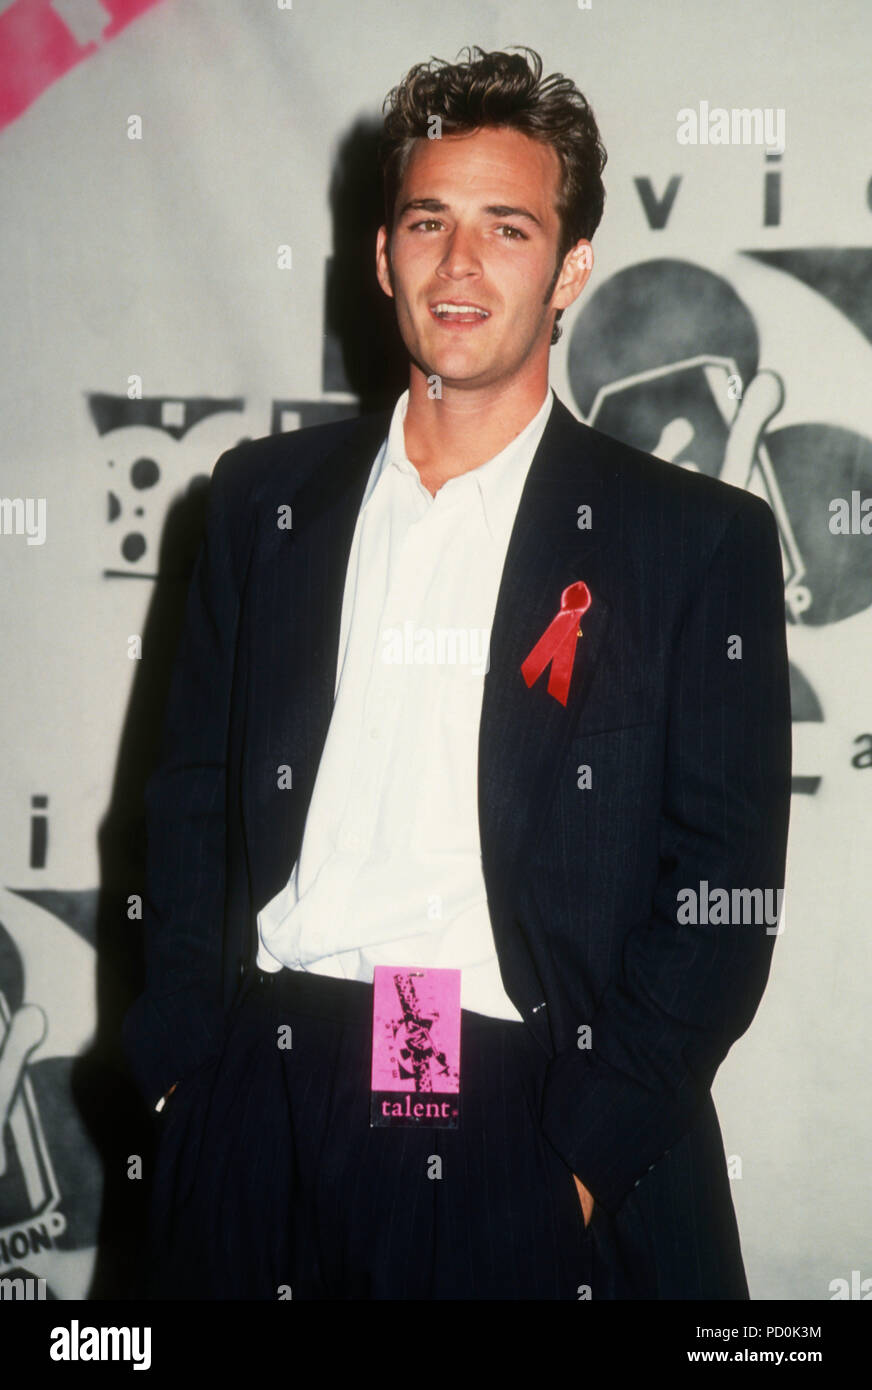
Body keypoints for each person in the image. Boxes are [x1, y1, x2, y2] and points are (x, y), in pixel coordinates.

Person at [123, 45, 791, 1300]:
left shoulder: (691, 541)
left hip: (517, 1104)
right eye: (427, 222)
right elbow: (188, 798)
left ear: (569, 269)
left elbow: (722, 891)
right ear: (382, 256)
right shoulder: (260, 504)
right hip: (262, 1091)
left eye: (507, 226)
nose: (461, 264)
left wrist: (575, 1164)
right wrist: (179, 1075)